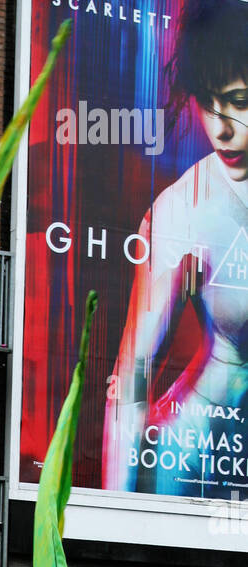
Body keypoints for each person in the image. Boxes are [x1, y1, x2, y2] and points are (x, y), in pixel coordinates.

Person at [103, 0, 248, 500]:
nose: (221, 128)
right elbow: (132, 376)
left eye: (239, 101)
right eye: (209, 103)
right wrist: (114, 521)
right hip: (190, 462)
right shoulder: (183, 210)